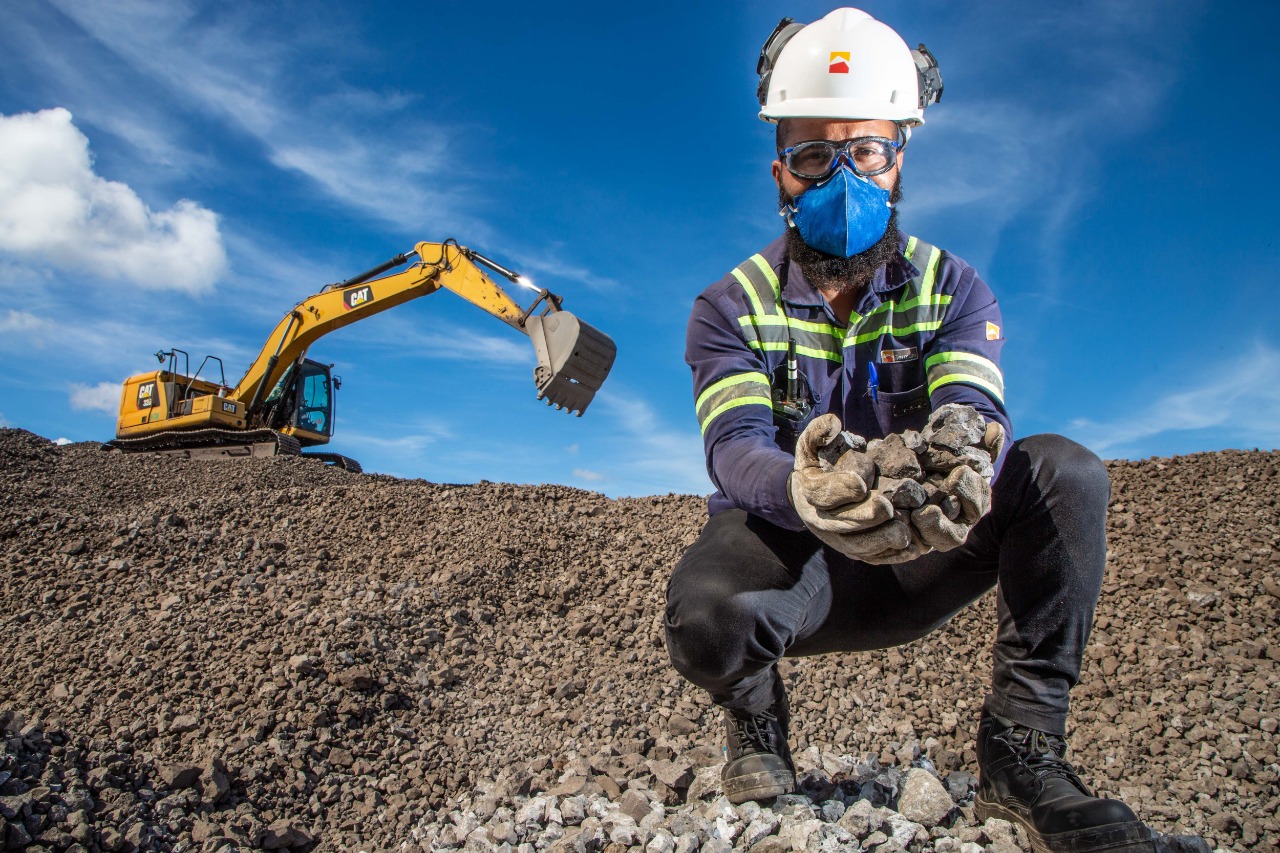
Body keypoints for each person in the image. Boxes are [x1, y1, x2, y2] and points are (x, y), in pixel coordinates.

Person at [664, 8, 1154, 851]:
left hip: (924, 550)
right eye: (815, 155)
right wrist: (801, 486)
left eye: (867, 151)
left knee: (1063, 472)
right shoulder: (729, 305)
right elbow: (734, 444)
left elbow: (977, 411)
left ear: (899, 158)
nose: (842, 178)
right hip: (800, 558)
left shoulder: (952, 289)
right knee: (706, 622)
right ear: (780, 170)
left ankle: (1022, 749)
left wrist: (963, 456)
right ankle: (754, 717)